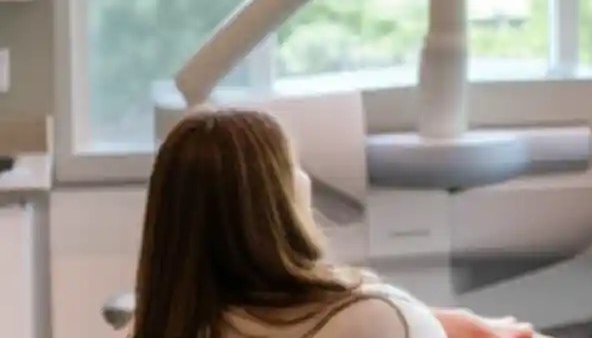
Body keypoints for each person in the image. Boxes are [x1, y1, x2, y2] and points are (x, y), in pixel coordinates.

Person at [130, 105, 543, 338]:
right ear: (276, 203)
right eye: (293, 167)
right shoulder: (376, 319)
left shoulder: (154, 327)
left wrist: (447, 322)